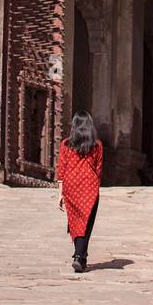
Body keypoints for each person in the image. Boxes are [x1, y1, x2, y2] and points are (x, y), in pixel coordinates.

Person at [57, 111, 103, 272]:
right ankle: (79, 256)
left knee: (75, 221)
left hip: (71, 186)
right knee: (87, 223)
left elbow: (61, 170)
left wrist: (60, 193)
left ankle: (80, 256)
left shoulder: (65, 144)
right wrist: (95, 185)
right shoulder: (96, 145)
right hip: (89, 186)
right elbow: (98, 169)